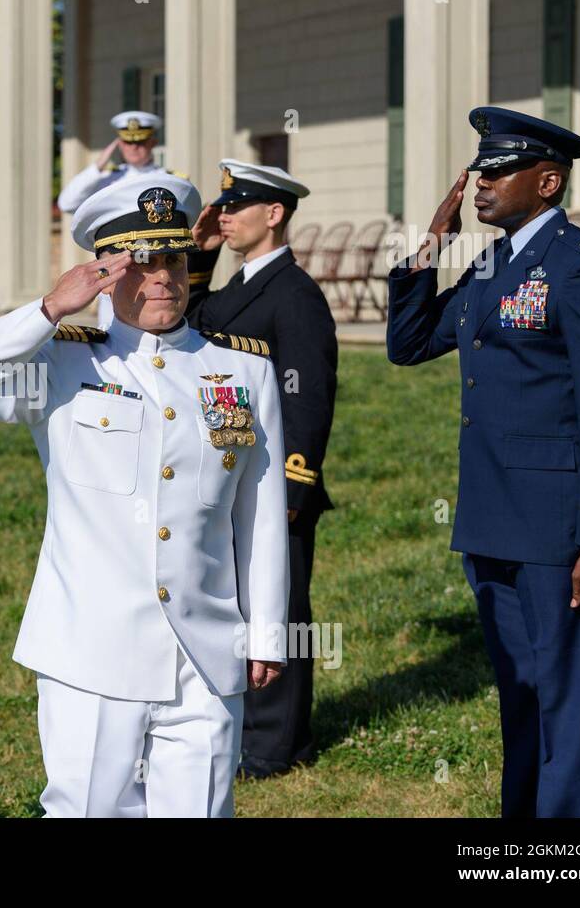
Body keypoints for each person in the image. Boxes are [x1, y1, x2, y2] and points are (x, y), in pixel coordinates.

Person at [0, 173, 289, 817]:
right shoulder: (64, 364)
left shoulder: (243, 369)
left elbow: (260, 512)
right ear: (106, 273)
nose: (162, 277)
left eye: (174, 259)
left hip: (206, 657)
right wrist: (49, 308)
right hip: (92, 653)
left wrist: (265, 630)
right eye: (142, 262)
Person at [387, 106, 580, 818]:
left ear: (549, 180)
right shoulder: (492, 261)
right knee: (521, 694)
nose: (480, 182)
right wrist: (432, 245)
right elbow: (409, 345)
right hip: (491, 520)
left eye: (499, 170)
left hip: (558, 532)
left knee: (564, 700)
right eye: (479, 169)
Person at [185, 159, 337, 779]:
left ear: (273, 214)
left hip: (277, 480)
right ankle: (249, 726)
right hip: (234, 476)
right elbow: (191, 327)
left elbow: (309, 395)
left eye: (236, 206)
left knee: (282, 611)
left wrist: (296, 483)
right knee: (243, 602)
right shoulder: (237, 287)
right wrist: (198, 259)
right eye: (223, 206)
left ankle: (279, 744)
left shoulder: (295, 294)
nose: (223, 215)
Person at [57, 112, 188, 328]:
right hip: (121, 265)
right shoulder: (109, 177)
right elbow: (67, 202)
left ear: (153, 142)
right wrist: (98, 166)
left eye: (141, 142)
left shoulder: (171, 179)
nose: (134, 148)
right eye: (127, 143)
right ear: (120, 144)